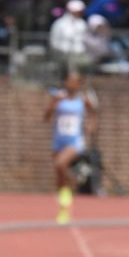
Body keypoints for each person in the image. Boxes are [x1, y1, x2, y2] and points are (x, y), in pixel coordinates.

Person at [44, 71, 97, 225]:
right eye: (69, 81)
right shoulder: (58, 97)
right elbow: (46, 117)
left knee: (60, 164)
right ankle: (64, 205)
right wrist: (53, 103)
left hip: (75, 141)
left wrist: (90, 126)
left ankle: (66, 200)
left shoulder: (83, 99)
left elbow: (93, 113)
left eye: (75, 81)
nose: (71, 84)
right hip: (59, 140)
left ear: (79, 84)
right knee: (59, 173)